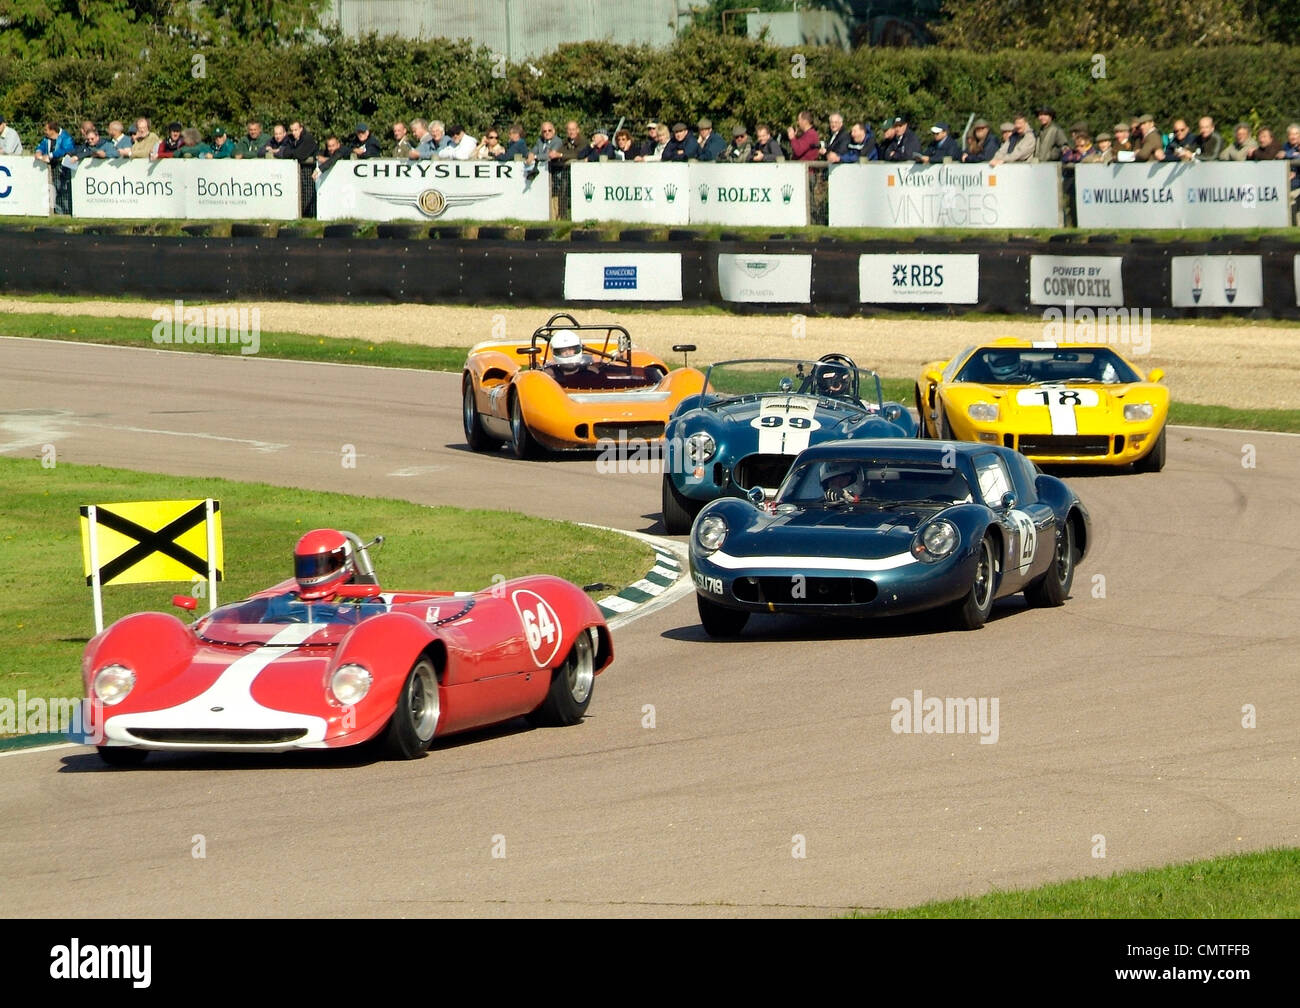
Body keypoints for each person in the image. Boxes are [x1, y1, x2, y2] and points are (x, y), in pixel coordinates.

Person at [35, 122, 75, 213]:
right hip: (52, 168)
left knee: (65, 190)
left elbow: (66, 149)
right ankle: (58, 212)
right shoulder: (47, 139)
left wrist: (51, 155)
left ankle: (67, 211)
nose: (44, 131)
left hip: (64, 167)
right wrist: (39, 151)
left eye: (46, 129)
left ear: (52, 131)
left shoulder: (66, 137)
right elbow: (41, 146)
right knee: (55, 190)